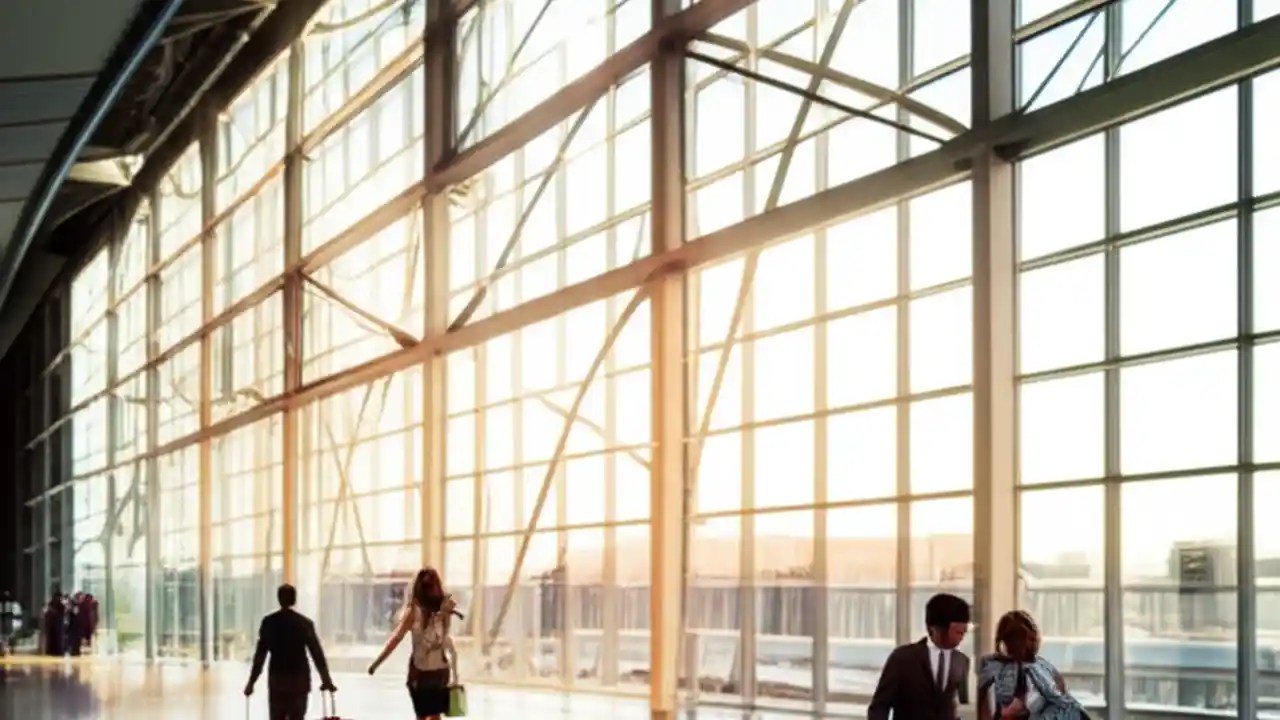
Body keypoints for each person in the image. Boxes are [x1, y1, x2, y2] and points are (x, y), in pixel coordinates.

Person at [368, 567, 459, 720]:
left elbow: (398, 639)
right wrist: (377, 663)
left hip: (428, 672)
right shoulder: (422, 612)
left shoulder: (430, 611)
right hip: (432, 672)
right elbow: (397, 639)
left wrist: (377, 663)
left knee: (427, 715)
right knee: (431, 715)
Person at [868, 592, 972, 720]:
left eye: (964, 632)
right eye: (958, 632)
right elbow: (879, 707)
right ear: (935, 629)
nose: (962, 637)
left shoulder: (961, 661)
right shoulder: (903, 658)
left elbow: (961, 706)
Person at [244, 584, 337, 720]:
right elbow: (317, 654)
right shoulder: (304, 623)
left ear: (279, 599)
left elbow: (260, 656)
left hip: (277, 682)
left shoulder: (269, 623)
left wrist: (251, 682)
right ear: (294, 599)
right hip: (299, 682)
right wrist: (326, 680)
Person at [977, 610, 1088, 720]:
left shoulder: (1043, 668)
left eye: (1033, 638)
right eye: (1029, 639)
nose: (1034, 643)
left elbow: (1064, 701)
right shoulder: (993, 671)